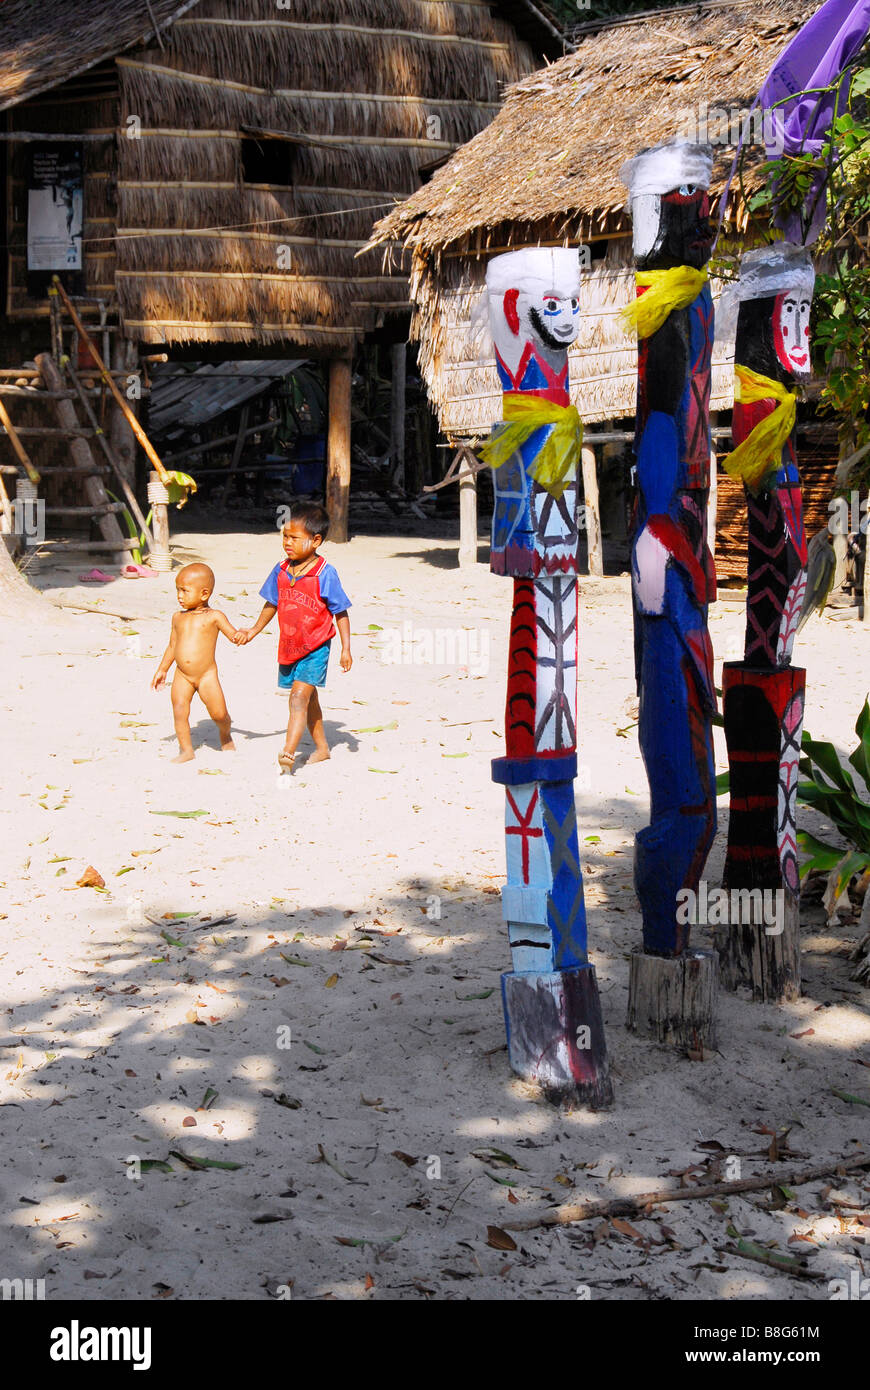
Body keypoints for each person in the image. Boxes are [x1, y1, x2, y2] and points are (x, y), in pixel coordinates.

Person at [235, 502, 352, 772]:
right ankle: (322, 748)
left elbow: (341, 612)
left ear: (316, 540)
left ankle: (288, 752)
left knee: (298, 698)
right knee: (309, 701)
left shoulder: (325, 574)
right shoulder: (281, 570)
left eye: (294, 538)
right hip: (290, 646)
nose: (287, 542)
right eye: (285, 536)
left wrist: (346, 649)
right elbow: (271, 603)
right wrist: (253, 630)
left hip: (316, 646)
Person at [151, 562, 238, 762]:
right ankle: (186, 750)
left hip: (207, 675)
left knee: (219, 714)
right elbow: (172, 645)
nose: (179, 596)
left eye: (185, 590)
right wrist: (162, 669)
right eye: (177, 590)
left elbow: (232, 635)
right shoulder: (177, 618)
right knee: (179, 709)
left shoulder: (215, 616)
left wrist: (240, 636)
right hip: (182, 674)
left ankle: (225, 734)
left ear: (204, 594)